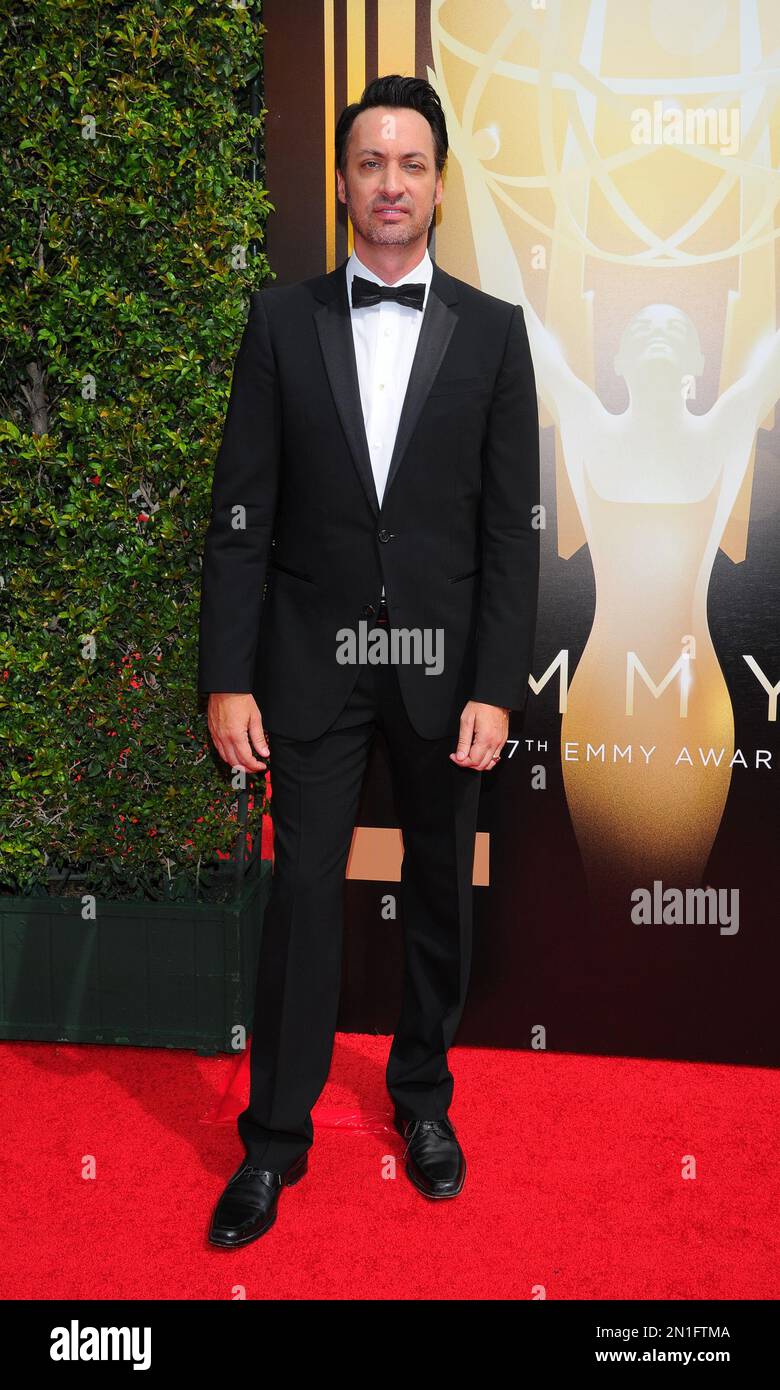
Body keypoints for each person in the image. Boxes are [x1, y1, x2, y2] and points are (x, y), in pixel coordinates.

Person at [197, 74, 540, 1247]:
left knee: (441, 885)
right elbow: (240, 512)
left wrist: (497, 682)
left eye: (410, 163)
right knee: (301, 893)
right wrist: (225, 674)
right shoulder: (277, 322)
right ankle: (272, 1145)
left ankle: (424, 1102)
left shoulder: (495, 334)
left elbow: (509, 528)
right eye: (368, 163)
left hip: (447, 669)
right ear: (341, 182)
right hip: (311, 661)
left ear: (440, 184)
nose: (389, 183)